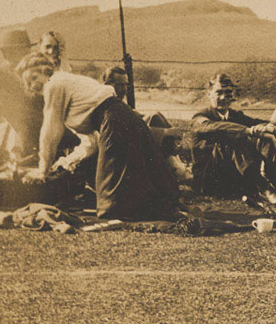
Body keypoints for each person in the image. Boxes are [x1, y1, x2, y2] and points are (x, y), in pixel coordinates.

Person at [15, 52, 180, 221]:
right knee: (130, 182)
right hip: (124, 119)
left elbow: (50, 130)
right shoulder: (68, 84)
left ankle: (140, 211)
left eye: (34, 77)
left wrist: (43, 169)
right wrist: (67, 161)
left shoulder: (54, 83)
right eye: (27, 82)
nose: (32, 85)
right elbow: (91, 141)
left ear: (44, 70)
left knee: (111, 201)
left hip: (117, 122)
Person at [191, 73, 276, 202]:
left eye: (228, 92)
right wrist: (248, 131)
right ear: (209, 94)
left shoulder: (235, 115)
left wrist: (270, 128)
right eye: (218, 92)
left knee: (265, 138)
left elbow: (259, 122)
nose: (223, 97)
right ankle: (264, 188)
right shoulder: (200, 116)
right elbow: (216, 127)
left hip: (235, 177)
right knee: (235, 140)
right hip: (209, 179)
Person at [0, 28, 39, 158]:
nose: (28, 53)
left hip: (28, 118)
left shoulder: (26, 70)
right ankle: (16, 158)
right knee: (15, 129)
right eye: (23, 50)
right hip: (21, 120)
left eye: (27, 50)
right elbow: (12, 106)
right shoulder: (1, 74)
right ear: (7, 53)